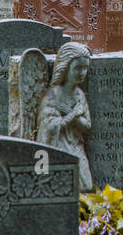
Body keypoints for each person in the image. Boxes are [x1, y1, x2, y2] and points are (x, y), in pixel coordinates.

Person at [37, 42, 94, 190]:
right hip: (57, 147)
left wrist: (72, 116)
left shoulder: (79, 94)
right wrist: (73, 115)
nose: (82, 73)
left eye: (85, 68)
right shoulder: (53, 95)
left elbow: (87, 125)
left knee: (86, 186)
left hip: (75, 146)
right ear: (65, 68)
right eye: (77, 68)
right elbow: (47, 127)